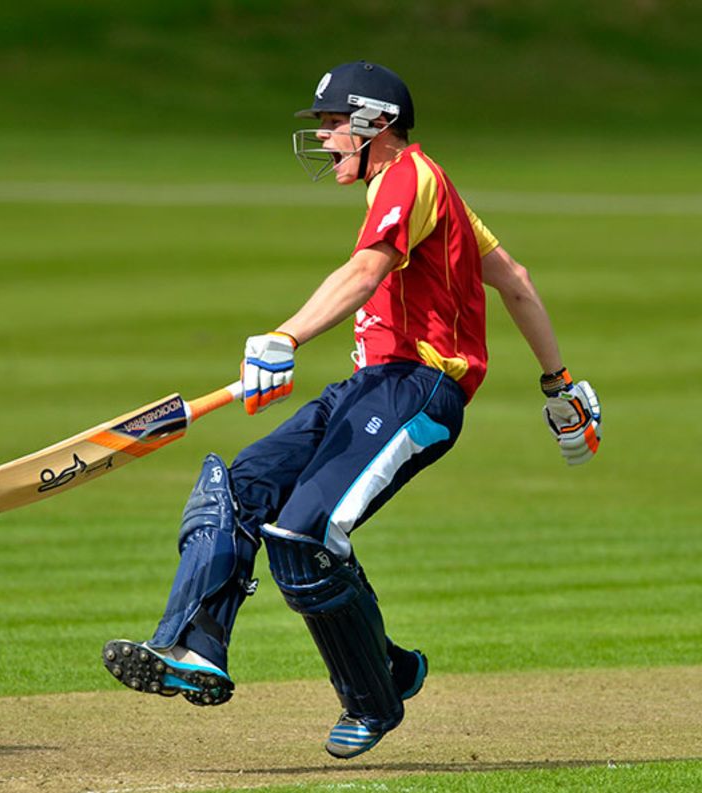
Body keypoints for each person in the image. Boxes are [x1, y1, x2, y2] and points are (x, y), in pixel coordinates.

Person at [102, 60, 601, 759]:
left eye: (336, 125)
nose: (328, 139)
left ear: (376, 123)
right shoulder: (429, 193)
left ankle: (375, 695)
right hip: (367, 387)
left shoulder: (411, 178)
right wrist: (562, 383)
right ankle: (196, 645)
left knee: (306, 536)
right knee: (239, 488)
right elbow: (514, 280)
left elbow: (367, 269)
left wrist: (286, 336)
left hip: (421, 388)